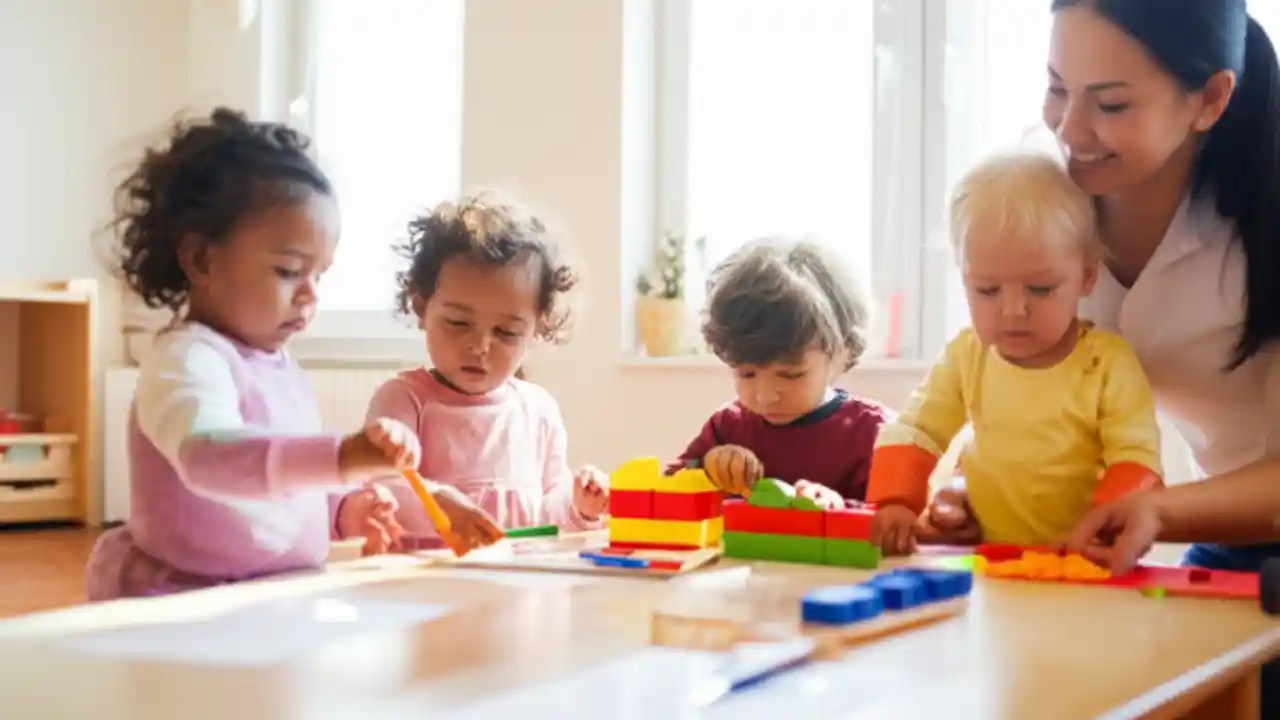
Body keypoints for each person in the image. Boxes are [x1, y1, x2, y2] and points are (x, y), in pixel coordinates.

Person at [85, 108, 496, 600]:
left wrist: (346, 510)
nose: (309, 295)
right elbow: (207, 456)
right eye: (287, 271)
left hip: (270, 594)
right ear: (200, 258)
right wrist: (341, 456)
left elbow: (286, 490)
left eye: (319, 275)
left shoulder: (283, 371)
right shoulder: (189, 357)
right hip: (181, 597)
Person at [865, 152, 1161, 555]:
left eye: (1040, 289)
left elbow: (1137, 459)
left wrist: (1102, 528)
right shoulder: (969, 354)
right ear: (964, 276)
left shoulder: (1108, 364)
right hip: (990, 564)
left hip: (1084, 563)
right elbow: (918, 427)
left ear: (1087, 275)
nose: (1013, 310)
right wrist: (897, 501)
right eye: (987, 290)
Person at [365, 192, 609, 539]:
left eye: (506, 332)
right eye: (458, 323)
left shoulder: (538, 411)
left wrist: (581, 505)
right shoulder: (403, 399)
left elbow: (552, 516)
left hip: (521, 583)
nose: (479, 347)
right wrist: (436, 503)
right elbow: (383, 490)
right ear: (421, 306)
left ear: (538, 327)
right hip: (430, 585)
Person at [674, 237, 888, 506]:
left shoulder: (871, 432)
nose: (765, 396)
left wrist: (841, 508)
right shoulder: (728, 428)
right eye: (746, 374)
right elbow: (670, 489)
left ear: (843, 351)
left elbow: (902, 519)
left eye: (790, 375)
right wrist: (707, 469)